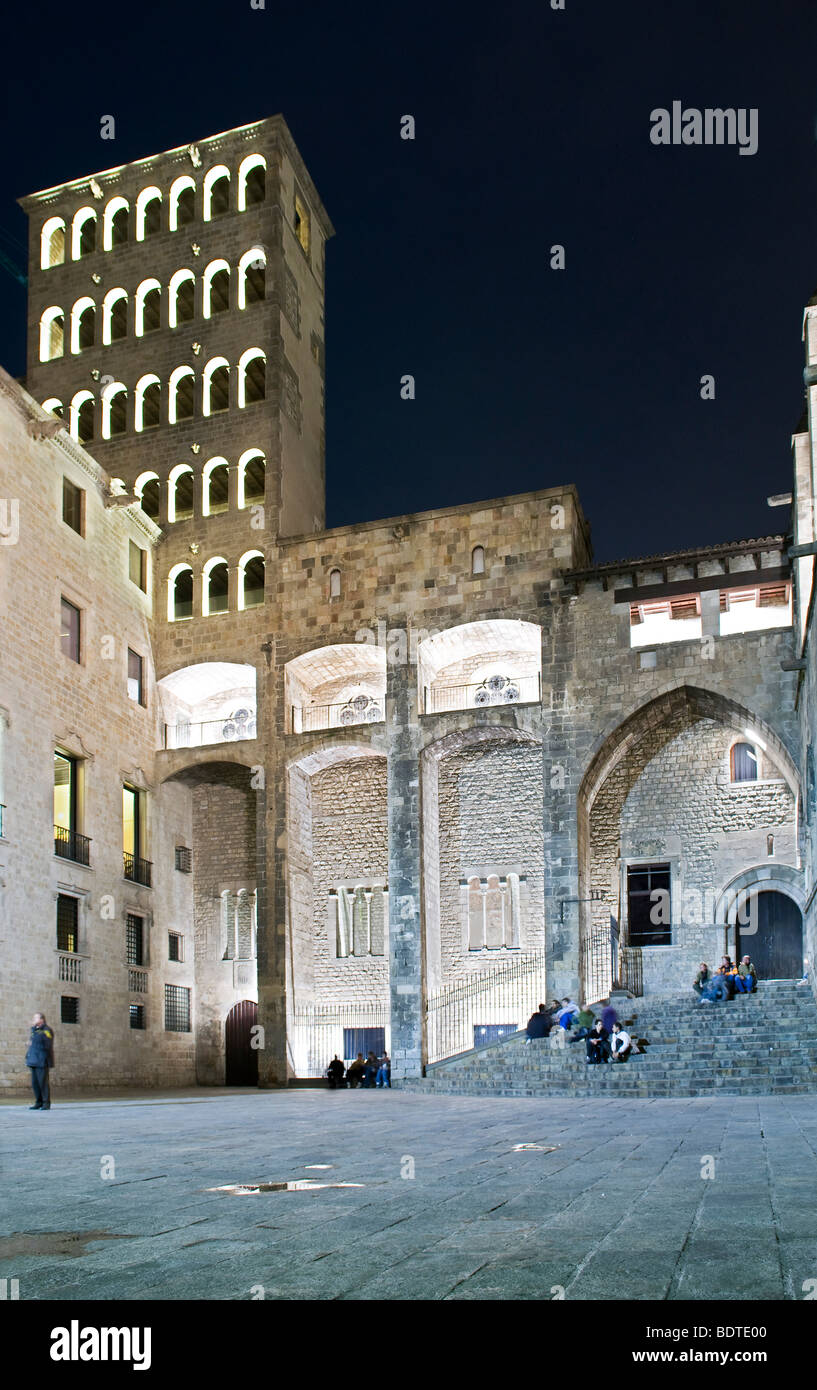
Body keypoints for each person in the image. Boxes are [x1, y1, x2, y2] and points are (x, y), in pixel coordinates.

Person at [25, 1012, 55, 1110]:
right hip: (33, 1060)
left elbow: (47, 1045)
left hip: (42, 1060)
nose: (33, 1019)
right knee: (35, 1083)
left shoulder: (47, 1030)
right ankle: (38, 1102)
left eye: (35, 1018)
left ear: (41, 1020)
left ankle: (46, 1103)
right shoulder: (34, 1031)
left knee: (43, 1082)